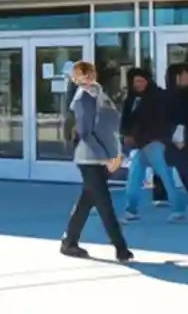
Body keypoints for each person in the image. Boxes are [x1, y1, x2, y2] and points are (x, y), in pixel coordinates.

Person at [60, 61, 133, 263]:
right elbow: (85, 132)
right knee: (104, 203)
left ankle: (69, 242)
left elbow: (109, 125)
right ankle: (121, 247)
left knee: (87, 200)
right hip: (90, 157)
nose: (87, 77)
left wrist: (115, 153)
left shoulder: (98, 92)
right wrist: (107, 155)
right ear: (75, 79)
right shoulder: (82, 99)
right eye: (81, 75)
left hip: (104, 156)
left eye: (89, 73)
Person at [120, 68, 188, 222]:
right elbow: (126, 119)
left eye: (141, 81)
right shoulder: (131, 99)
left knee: (164, 175)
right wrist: (126, 134)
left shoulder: (158, 97)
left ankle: (178, 209)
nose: (138, 84)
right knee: (135, 176)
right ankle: (131, 209)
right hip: (140, 143)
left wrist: (161, 137)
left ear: (148, 81)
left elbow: (166, 118)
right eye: (136, 81)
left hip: (154, 141)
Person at [152, 65, 188, 209]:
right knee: (162, 164)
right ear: (177, 77)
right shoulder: (169, 96)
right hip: (169, 135)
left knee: (180, 165)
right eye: (185, 75)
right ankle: (161, 195)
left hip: (180, 135)